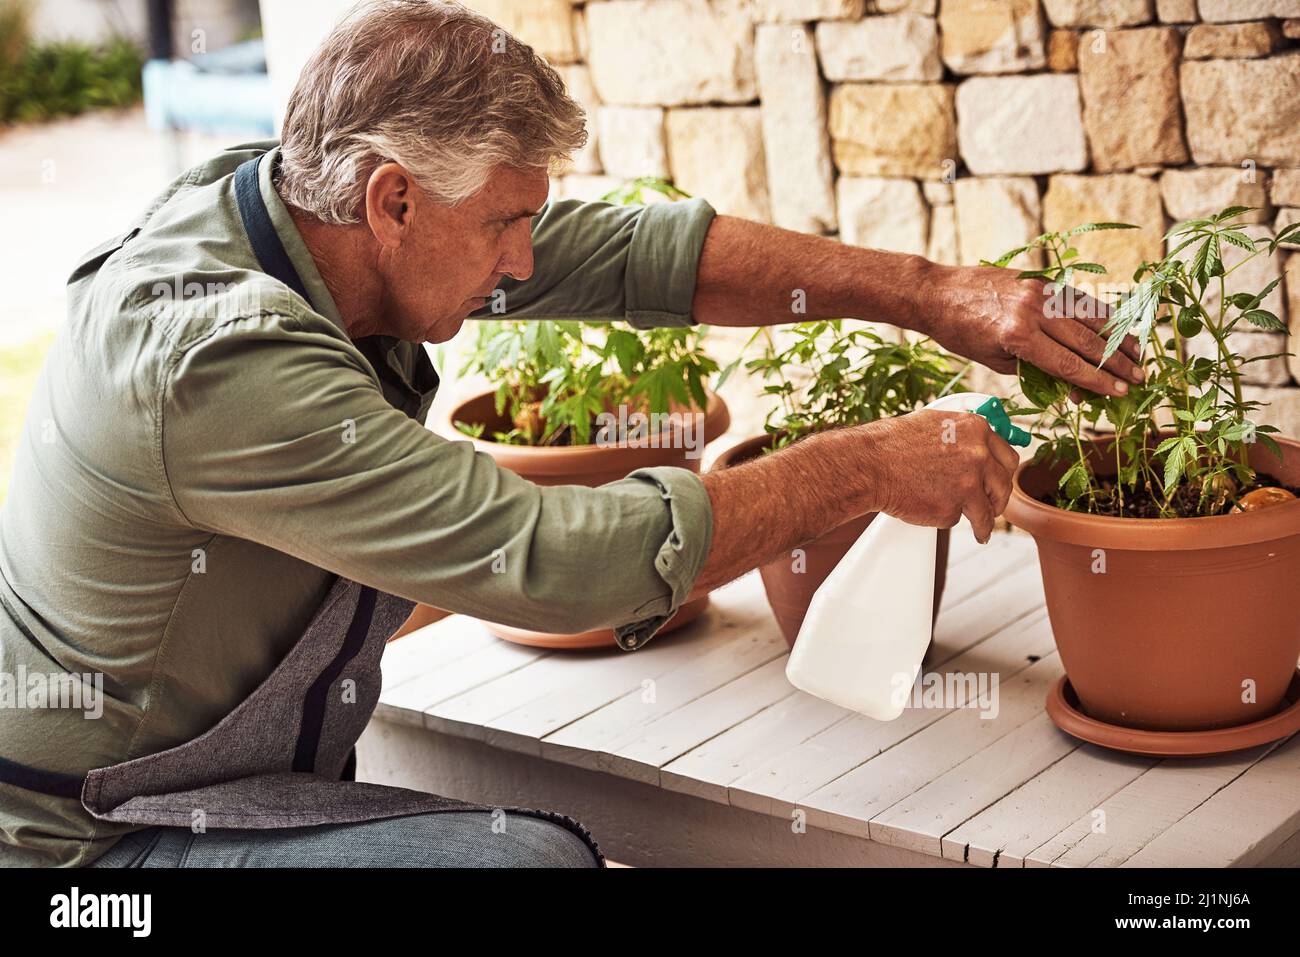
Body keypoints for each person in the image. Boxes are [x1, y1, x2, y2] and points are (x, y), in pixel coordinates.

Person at [0, 0, 1142, 868]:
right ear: (393, 200)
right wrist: (865, 466)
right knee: (524, 863)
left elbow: (637, 256)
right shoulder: (216, 359)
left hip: (235, 777)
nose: (524, 262)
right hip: (97, 844)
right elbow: (554, 566)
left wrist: (935, 294)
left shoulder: (298, 210)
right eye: (506, 222)